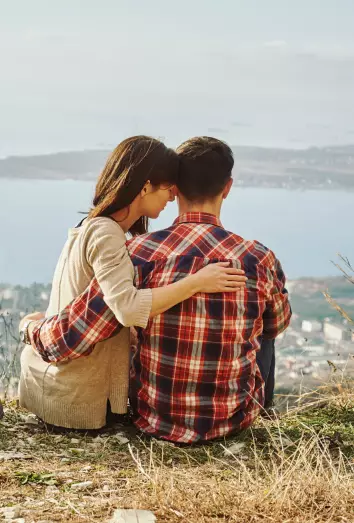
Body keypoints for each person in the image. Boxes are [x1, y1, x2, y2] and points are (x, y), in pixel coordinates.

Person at [21, 137, 291, 442]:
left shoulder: (138, 252)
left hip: (154, 418)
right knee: (266, 328)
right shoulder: (258, 258)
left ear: (175, 188)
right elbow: (278, 324)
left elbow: (82, 327)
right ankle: (264, 415)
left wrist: (33, 329)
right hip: (233, 420)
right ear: (227, 187)